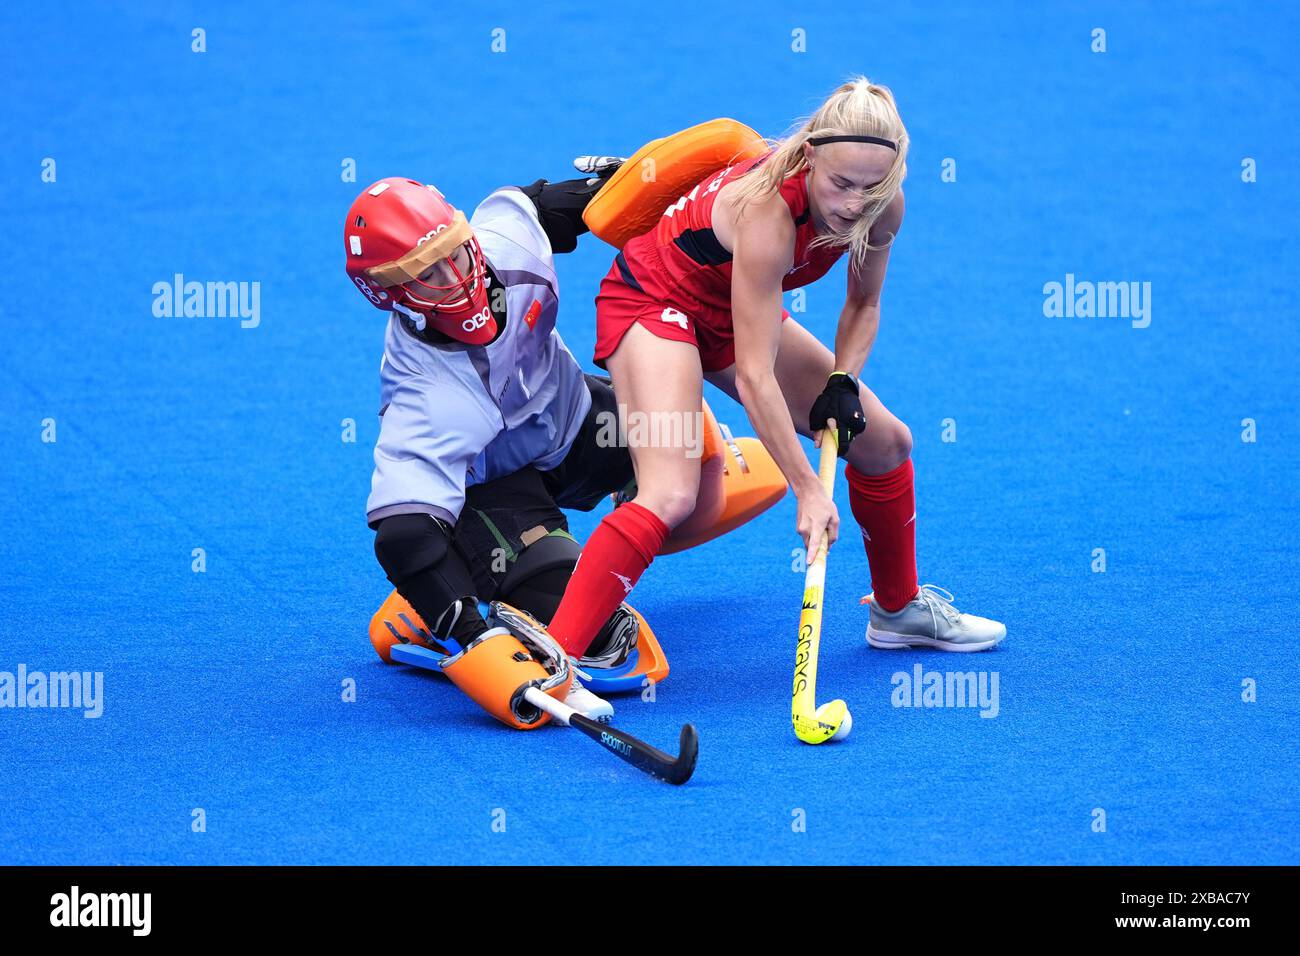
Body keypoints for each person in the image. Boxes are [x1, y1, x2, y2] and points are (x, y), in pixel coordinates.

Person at [543, 77, 1006, 663]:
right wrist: (808, 490)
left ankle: (898, 610)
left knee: (887, 443)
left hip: (737, 307)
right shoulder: (766, 211)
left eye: (872, 186)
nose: (853, 205)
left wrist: (843, 381)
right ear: (810, 155)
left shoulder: (882, 204)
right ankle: (556, 657)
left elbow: (863, 304)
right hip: (654, 300)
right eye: (840, 183)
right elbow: (756, 376)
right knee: (670, 494)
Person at [344, 167, 786, 728]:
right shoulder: (422, 397)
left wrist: (654, 177)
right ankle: (439, 602)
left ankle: (468, 581)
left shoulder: (507, 242)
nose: (456, 278)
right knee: (602, 639)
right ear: (392, 296)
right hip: (494, 494)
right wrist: (474, 644)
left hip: (573, 421)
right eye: (427, 276)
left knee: (691, 451)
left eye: (456, 251)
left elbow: (580, 203)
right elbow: (403, 533)